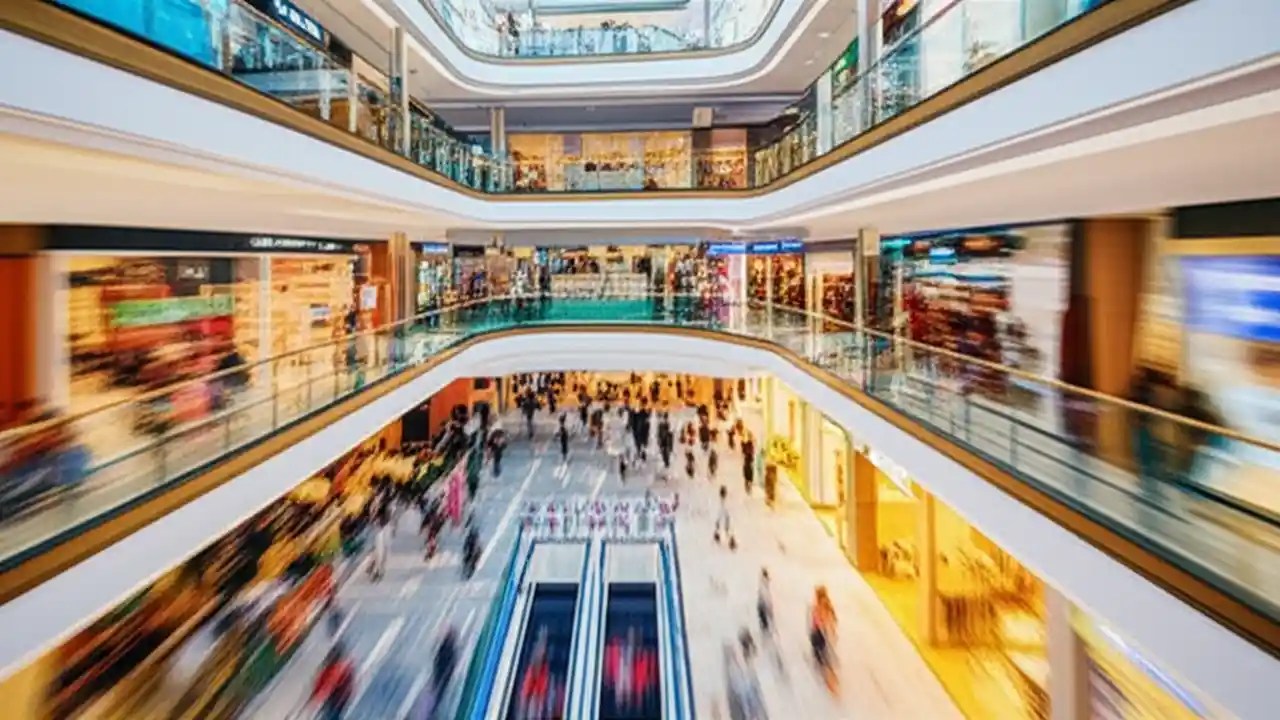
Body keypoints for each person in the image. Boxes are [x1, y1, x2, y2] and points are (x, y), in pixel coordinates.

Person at [311, 644, 356, 720]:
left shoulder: (341, 668)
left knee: (331, 715)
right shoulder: (332, 668)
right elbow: (321, 683)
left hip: (336, 702)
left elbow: (347, 687)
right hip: (333, 702)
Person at [433, 626, 459, 700]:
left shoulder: (447, 648)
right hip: (442, 671)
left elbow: (438, 660)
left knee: (439, 689)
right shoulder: (449, 648)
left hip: (442, 671)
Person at [369, 505, 391, 581]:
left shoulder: (381, 530)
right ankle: (376, 570)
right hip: (379, 540)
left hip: (380, 540)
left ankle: (377, 571)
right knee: (378, 555)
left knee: (379, 555)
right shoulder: (382, 526)